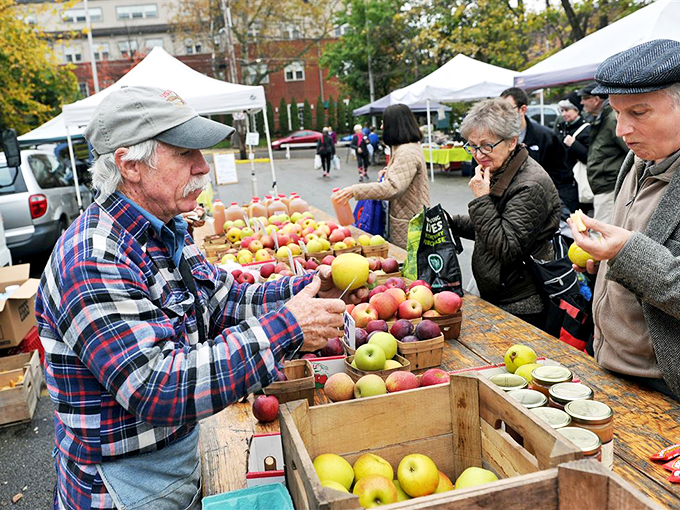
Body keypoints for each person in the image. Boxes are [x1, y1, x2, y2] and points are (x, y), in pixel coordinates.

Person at [35, 86, 364, 510]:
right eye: (185, 153)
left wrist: (300, 291)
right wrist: (289, 325)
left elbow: (220, 302)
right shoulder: (93, 258)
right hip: (122, 486)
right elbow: (156, 385)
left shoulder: (167, 228)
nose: (202, 166)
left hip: (171, 459)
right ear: (130, 165)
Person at [568, 39, 680, 401]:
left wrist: (626, 252)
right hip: (607, 363)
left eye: (639, 113)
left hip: (664, 387)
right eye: (617, 113)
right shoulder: (636, 162)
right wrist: (598, 261)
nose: (621, 130)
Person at [450, 98, 561, 328]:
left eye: (487, 145)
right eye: (472, 145)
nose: (478, 154)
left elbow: (506, 246)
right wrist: (451, 222)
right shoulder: (500, 168)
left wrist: (481, 199)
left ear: (512, 142)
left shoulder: (530, 184)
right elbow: (491, 224)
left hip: (520, 302)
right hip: (499, 293)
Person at [332, 104, 429, 249]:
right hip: (409, 218)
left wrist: (355, 190)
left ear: (394, 125)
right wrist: (388, 171)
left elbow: (392, 188)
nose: (382, 127)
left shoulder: (406, 152)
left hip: (409, 223)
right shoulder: (408, 147)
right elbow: (404, 173)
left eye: (384, 122)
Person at [500, 88, 579, 217]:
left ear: (523, 109)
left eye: (507, 109)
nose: (502, 114)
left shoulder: (545, 137)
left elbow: (561, 175)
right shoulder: (494, 139)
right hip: (506, 208)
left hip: (541, 207)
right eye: (499, 109)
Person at [577, 82, 628, 223]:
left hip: (610, 186)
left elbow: (631, 152)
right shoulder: (602, 118)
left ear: (595, 99)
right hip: (604, 186)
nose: (581, 103)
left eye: (584, 98)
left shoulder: (611, 119)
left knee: (601, 234)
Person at [555, 91, 592, 214]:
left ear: (577, 110)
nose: (564, 114)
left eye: (567, 110)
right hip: (562, 181)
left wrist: (574, 145)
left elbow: (590, 157)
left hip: (576, 183)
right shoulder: (561, 127)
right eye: (562, 110)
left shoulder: (586, 129)